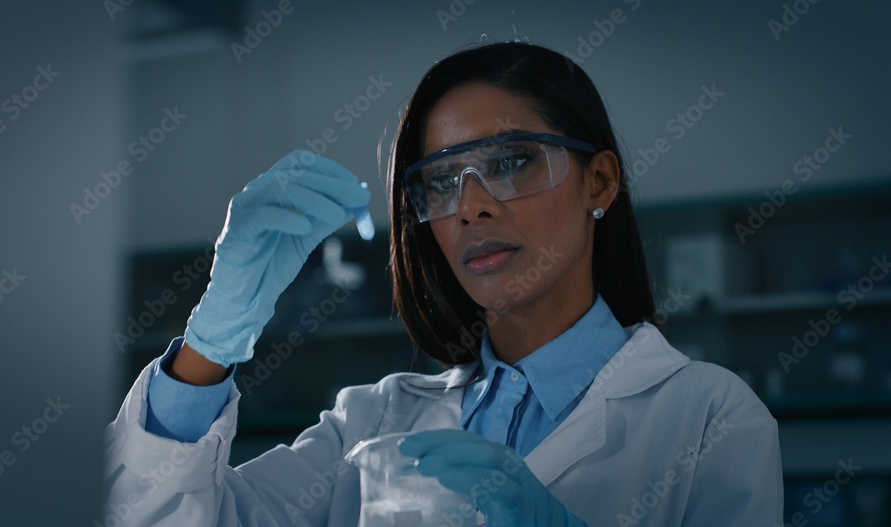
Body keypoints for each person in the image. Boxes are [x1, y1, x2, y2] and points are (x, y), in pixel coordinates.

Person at [104, 41, 783, 526]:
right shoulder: (372, 424)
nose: (470, 206)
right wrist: (213, 336)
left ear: (599, 182)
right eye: (441, 181)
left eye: (512, 161)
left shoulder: (709, 417)